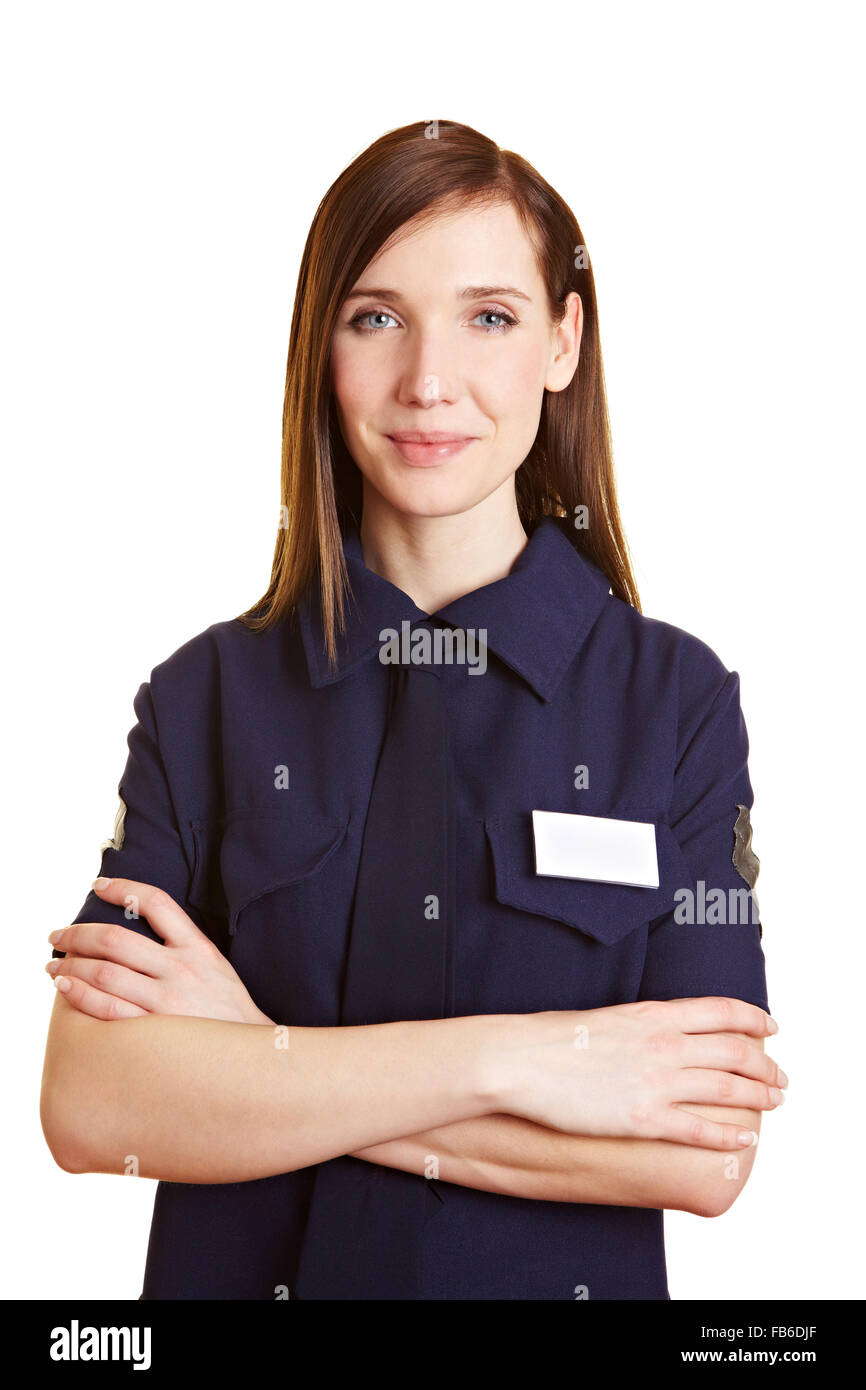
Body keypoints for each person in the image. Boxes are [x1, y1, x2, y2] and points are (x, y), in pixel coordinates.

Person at [40, 119, 784, 1301]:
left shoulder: (675, 705)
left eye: (488, 317)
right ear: (319, 347)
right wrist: (531, 1061)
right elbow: (89, 1107)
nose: (427, 380)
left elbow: (701, 1149)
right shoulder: (201, 700)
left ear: (561, 342)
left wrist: (249, 1062)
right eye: (375, 316)